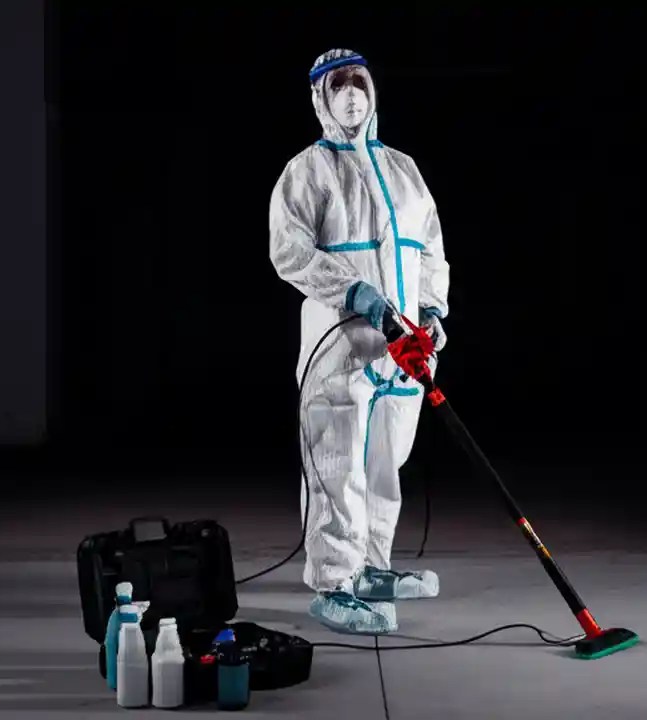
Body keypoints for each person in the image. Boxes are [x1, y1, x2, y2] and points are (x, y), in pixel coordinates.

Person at [268, 49, 451, 635]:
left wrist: (430, 309)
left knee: (385, 463)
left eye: (359, 85)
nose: (352, 96)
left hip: (401, 348)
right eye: (339, 86)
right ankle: (334, 582)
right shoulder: (306, 171)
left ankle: (372, 566)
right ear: (321, 98)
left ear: (373, 93)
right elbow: (290, 252)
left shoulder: (403, 168)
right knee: (336, 460)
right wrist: (354, 293)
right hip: (341, 343)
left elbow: (428, 248)